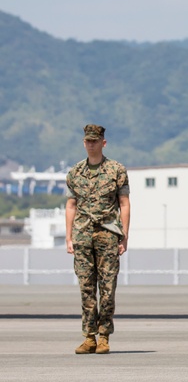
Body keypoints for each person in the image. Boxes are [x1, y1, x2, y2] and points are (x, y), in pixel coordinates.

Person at [66, 124, 130, 355]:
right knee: (86, 287)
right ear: (84, 143)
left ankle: (104, 336)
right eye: (88, 141)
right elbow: (71, 205)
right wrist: (69, 236)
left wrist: (124, 236)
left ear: (103, 143)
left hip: (108, 234)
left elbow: (124, 204)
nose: (91, 144)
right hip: (82, 234)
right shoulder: (75, 173)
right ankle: (89, 337)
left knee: (107, 286)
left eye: (95, 141)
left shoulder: (116, 170)